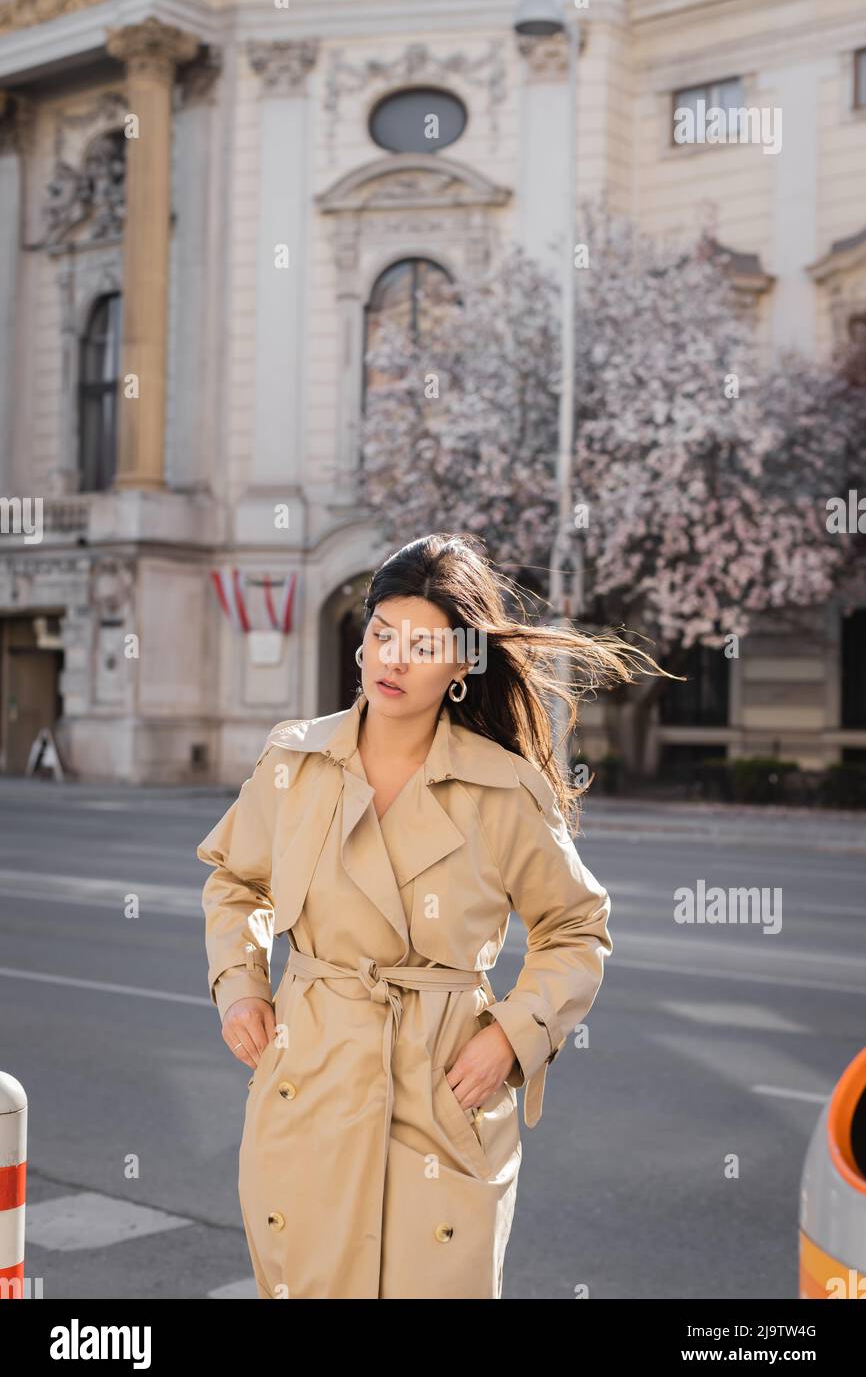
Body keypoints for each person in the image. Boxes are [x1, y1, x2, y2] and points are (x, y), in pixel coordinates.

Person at [196, 532, 670, 1299]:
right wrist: (240, 982)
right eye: (382, 634)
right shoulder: (296, 763)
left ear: (461, 666)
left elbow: (576, 930)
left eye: (422, 644)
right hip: (307, 1085)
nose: (393, 658)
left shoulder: (502, 790)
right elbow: (235, 881)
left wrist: (512, 1041)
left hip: (444, 1093)